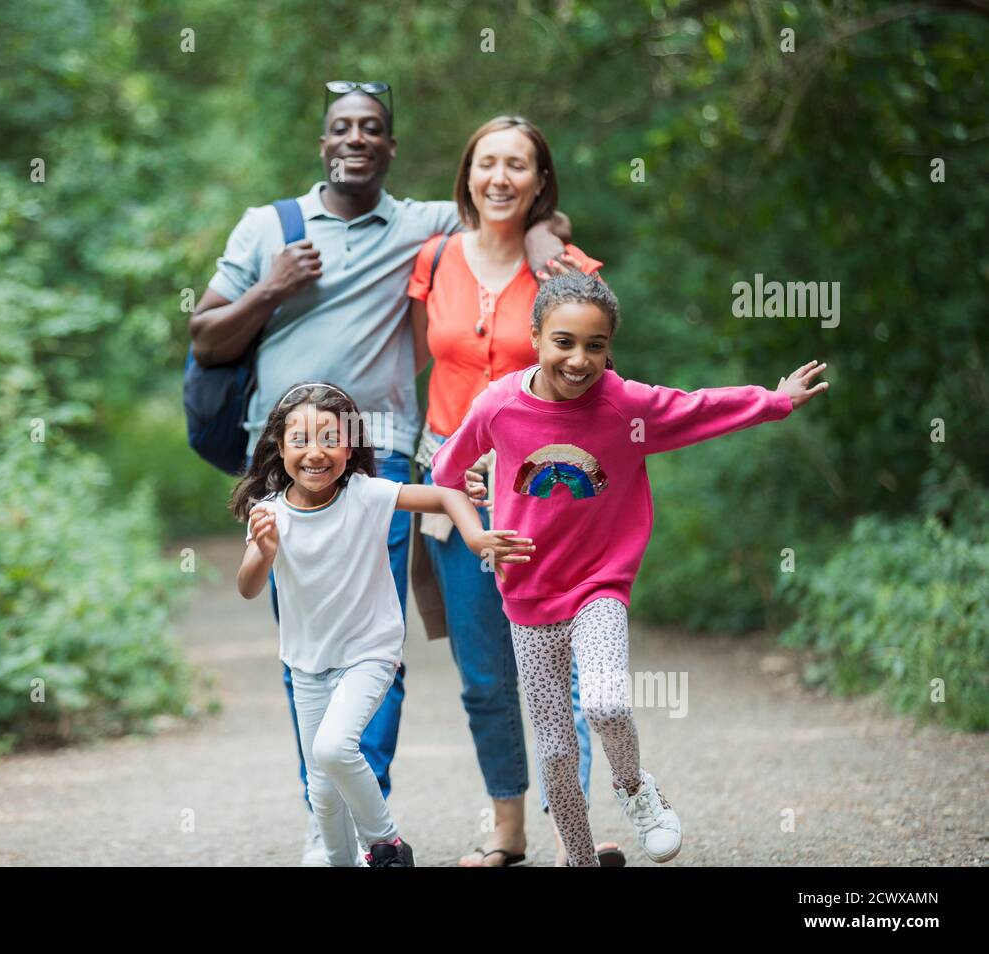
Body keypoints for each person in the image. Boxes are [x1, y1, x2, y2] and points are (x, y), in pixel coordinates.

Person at [189, 81, 564, 863]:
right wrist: (273, 287)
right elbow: (205, 339)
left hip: (382, 451)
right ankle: (325, 814)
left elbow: (520, 218)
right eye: (340, 128)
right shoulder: (270, 226)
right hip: (283, 459)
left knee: (373, 646)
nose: (355, 138)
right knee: (308, 647)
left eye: (372, 129)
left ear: (390, 149)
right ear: (322, 143)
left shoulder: (423, 226)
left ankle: (367, 827)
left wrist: (546, 249)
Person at [432, 270, 829, 865]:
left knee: (606, 703)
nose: (579, 359)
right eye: (564, 341)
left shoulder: (623, 404)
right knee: (557, 751)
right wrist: (474, 525)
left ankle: (636, 789)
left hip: (599, 584)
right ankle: (582, 857)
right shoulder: (498, 405)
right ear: (535, 336)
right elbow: (444, 469)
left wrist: (774, 401)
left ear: (609, 347)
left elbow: (697, 409)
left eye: (595, 345)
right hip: (528, 596)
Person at [407, 115, 619, 867]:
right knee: (487, 672)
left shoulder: (568, 270)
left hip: (551, 490)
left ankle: (578, 832)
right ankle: (506, 825)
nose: (500, 178)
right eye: (487, 163)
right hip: (458, 486)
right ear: (466, 176)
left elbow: (601, 378)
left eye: (518, 165)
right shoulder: (432, 260)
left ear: (539, 182)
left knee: (563, 670)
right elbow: (408, 365)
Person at [232, 382, 533, 867]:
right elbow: (247, 587)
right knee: (321, 789)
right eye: (300, 440)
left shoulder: (366, 494)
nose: (315, 452)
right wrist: (262, 554)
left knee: (334, 747)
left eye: (330, 439)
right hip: (308, 664)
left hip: (369, 653)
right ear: (279, 447)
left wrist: (476, 537)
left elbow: (444, 496)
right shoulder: (268, 513)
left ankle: (386, 843)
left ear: (350, 447)